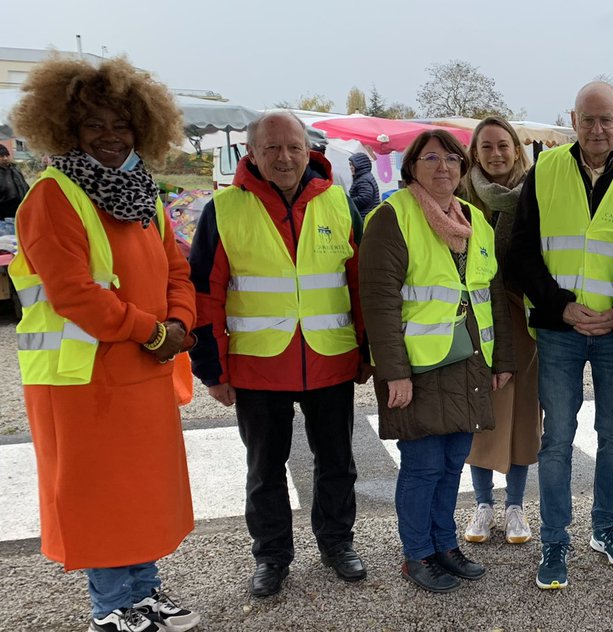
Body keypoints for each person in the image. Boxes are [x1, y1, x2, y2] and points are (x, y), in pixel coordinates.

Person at [9, 56, 200, 632]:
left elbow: (176, 270)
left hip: (141, 371)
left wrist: (181, 324)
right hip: (80, 379)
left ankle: (143, 593)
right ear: (67, 129)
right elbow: (75, 295)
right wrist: (156, 332)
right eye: (94, 124)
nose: (110, 135)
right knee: (101, 497)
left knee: (141, 492)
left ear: (140, 127)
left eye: (120, 123)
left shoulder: (139, 192)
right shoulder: (52, 196)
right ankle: (112, 608)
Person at [189, 111, 371, 598]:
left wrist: (366, 352)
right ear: (251, 154)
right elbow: (206, 295)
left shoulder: (337, 201)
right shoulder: (223, 209)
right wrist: (211, 369)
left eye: (293, 146)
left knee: (336, 462)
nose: (285, 157)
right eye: (271, 148)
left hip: (329, 358)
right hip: (258, 366)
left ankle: (337, 543)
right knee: (264, 468)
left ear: (308, 148)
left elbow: (360, 284)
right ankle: (271, 555)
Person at [508, 81, 613, 589]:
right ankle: (555, 540)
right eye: (588, 120)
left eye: (607, 120)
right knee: (558, 440)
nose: (597, 129)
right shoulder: (543, 171)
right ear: (573, 120)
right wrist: (563, 307)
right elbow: (521, 254)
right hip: (560, 329)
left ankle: (604, 530)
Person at [359, 129, 515, 592]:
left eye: (452, 159)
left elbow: (490, 294)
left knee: (451, 463)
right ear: (412, 167)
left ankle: (445, 545)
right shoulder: (392, 217)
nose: (443, 167)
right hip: (420, 367)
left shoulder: (475, 222)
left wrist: (501, 357)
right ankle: (417, 554)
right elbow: (379, 301)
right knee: (422, 465)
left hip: (468, 361)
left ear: (463, 170)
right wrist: (393, 373)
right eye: (431, 158)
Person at [460, 117, 539, 545]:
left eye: (503, 145)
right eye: (486, 146)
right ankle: (482, 503)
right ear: (475, 151)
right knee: (480, 409)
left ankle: (516, 505)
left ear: (516, 148)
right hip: (474, 317)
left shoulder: (537, 191)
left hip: (522, 315)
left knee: (524, 410)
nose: (495, 153)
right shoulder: (458, 193)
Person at [0, 144, 30, 219]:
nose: (5, 158)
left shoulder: (15, 169)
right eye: (1, 156)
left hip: (21, 213)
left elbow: (25, 187)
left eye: (7, 155)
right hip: (4, 218)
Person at [348, 152, 380, 217]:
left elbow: (364, 198)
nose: (350, 167)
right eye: (350, 165)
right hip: (368, 215)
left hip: (364, 217)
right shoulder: (364, 176)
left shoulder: (363, 180)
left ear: (359, 165)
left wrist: (347, 201)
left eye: (352, 165)